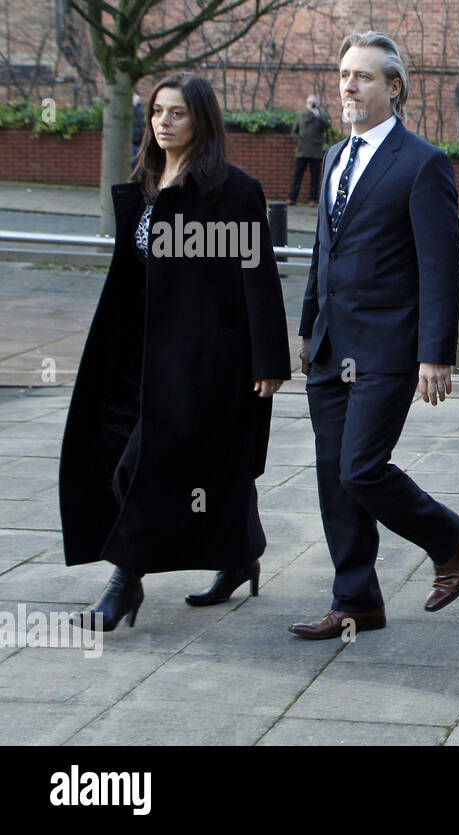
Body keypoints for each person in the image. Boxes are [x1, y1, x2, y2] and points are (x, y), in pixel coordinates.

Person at [60, 73, 291, 630]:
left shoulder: (232, 190)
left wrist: (269, 361)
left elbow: (256, 276)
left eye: (177, 113)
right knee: (143, 462)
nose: (164, 122)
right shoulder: (143, 183)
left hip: (199, 363)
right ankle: (241, 554)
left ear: (201, 120)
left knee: (139, 470)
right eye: (157, 112)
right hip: (132, 357)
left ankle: (124, 584)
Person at [290, 31, 459, 640]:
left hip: (388, 349)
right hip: (329, 348)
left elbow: (441, 266)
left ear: (392, 88)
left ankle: (447, 535)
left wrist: (436, 354)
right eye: (344, 75)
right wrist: (306, 327)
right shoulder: (336, 158)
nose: (348, 85)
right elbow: (324, 251)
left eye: (363, 76)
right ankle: (357, 601)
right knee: (332, 478)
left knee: (361, 470)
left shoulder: (422, 163)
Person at [289, 95, 330, 206]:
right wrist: (299, 141)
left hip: (316, 152)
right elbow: (294, 131)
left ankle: (313, 199)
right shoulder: (301, 116)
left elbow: (328, 126)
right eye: (309, 102)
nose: (311, 104)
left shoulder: (321, 117)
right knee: (298, 175)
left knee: (315, 177)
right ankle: (292, 198)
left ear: (317, 104)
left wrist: (318, 115)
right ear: (306, 104)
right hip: (302, 151)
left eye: (313, 102)